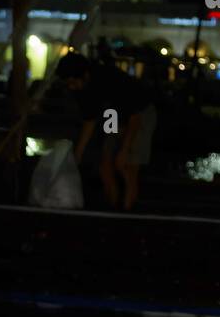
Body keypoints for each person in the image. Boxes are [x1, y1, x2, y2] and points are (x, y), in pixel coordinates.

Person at [56, 51, 157, 211]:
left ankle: (127, 209)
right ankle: (112, 204)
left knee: (125, 165)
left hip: (140, 113)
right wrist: (78, 155)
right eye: (67, 83)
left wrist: (124, 150)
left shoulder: (110, 79)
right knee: (105, 164)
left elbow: (134, 118)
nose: (71, 87)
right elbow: (90, 120)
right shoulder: (81, 89)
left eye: (73, 82)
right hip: (113, 114)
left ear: (85, 75)